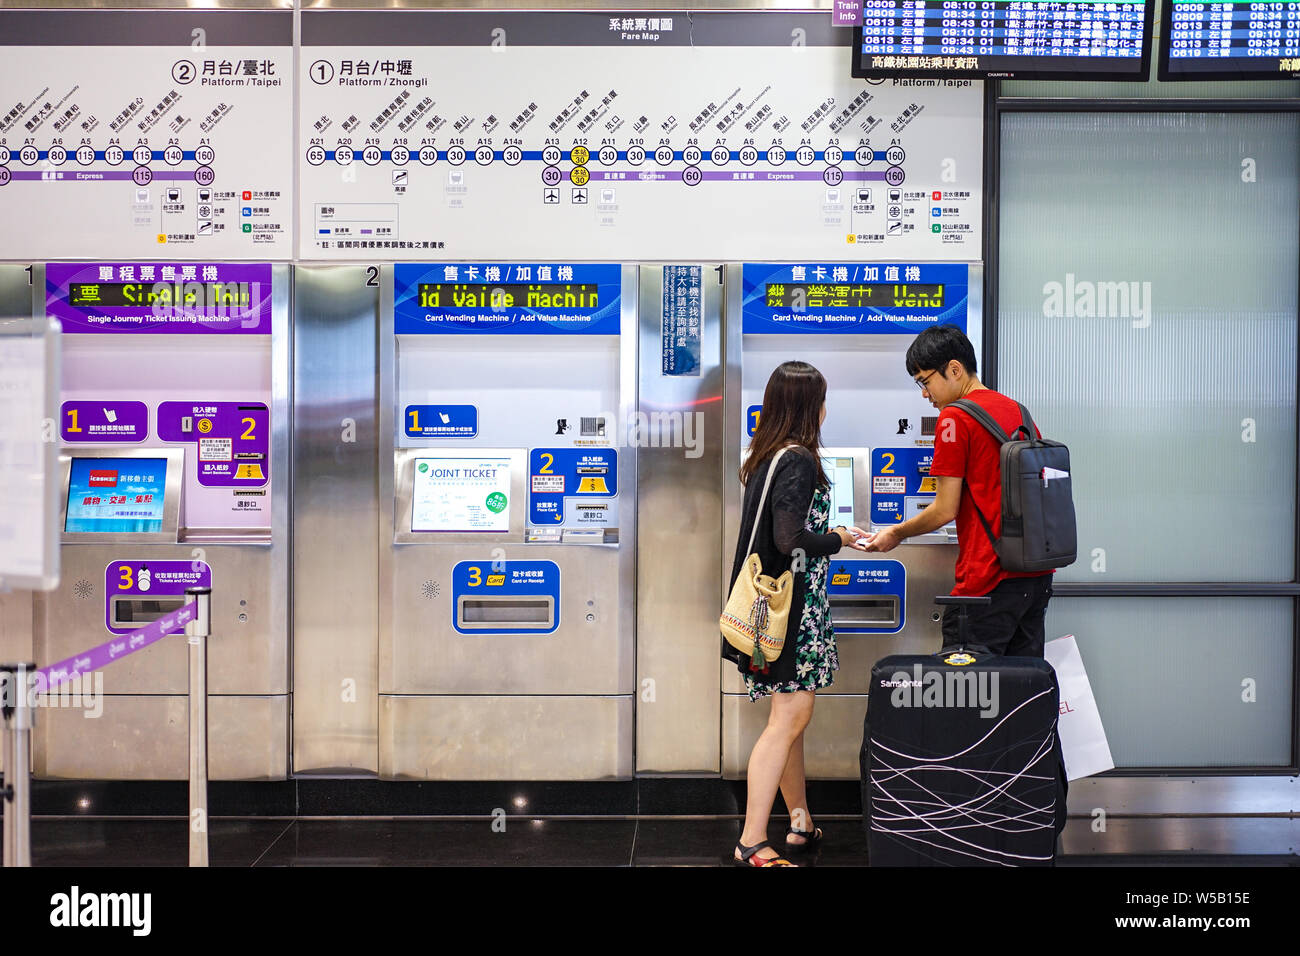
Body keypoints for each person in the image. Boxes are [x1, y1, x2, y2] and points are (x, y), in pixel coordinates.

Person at [862, 324, 1066, 837]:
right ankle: (1027, 817)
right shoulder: (1016, 410)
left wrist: (893, 536)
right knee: (1022, 699)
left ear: (955, 370)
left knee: (967, 704)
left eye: (925, 380)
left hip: (984, 587)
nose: (925, 394)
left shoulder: (955, 419)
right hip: (1033, 578)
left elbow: (943, 509)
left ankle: (965, 824)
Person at [724, 361, 867, 867]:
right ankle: (752, 841)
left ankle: (800, 821)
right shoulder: (800, 460)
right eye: (822, 400)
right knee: (790, 717)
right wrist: (841, 539)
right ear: (810, 407)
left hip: (775, 611)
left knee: (789, 717)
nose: (827, 410)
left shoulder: (766, 455)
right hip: (791, 611)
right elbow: (790, 538)